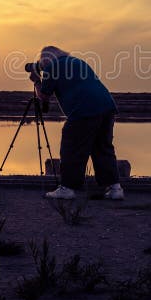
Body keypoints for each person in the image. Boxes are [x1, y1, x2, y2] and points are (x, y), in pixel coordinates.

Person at [32, 45, 124, 200]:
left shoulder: (52, 67)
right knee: (103, 148)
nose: (42, 66)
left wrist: (36, 80)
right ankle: (116, 189)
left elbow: (44, 96)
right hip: (107, 107)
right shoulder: (77, 61)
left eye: (42, 63)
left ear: (46, 60)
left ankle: (67, 188)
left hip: (83, 110)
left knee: (72, 147)